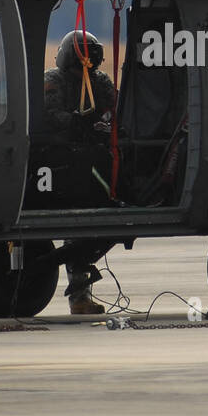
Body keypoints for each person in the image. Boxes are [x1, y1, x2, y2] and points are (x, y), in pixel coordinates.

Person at [43, 30, 118, 314]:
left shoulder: (99, 82)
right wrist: (77, 123)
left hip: (94, 160)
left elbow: (115, 111)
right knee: (79, 228)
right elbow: (48, 116)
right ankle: (80, 298)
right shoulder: (54, 81)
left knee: (96, 226)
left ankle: (81, 296)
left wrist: (99, 125)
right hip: (62, 161)